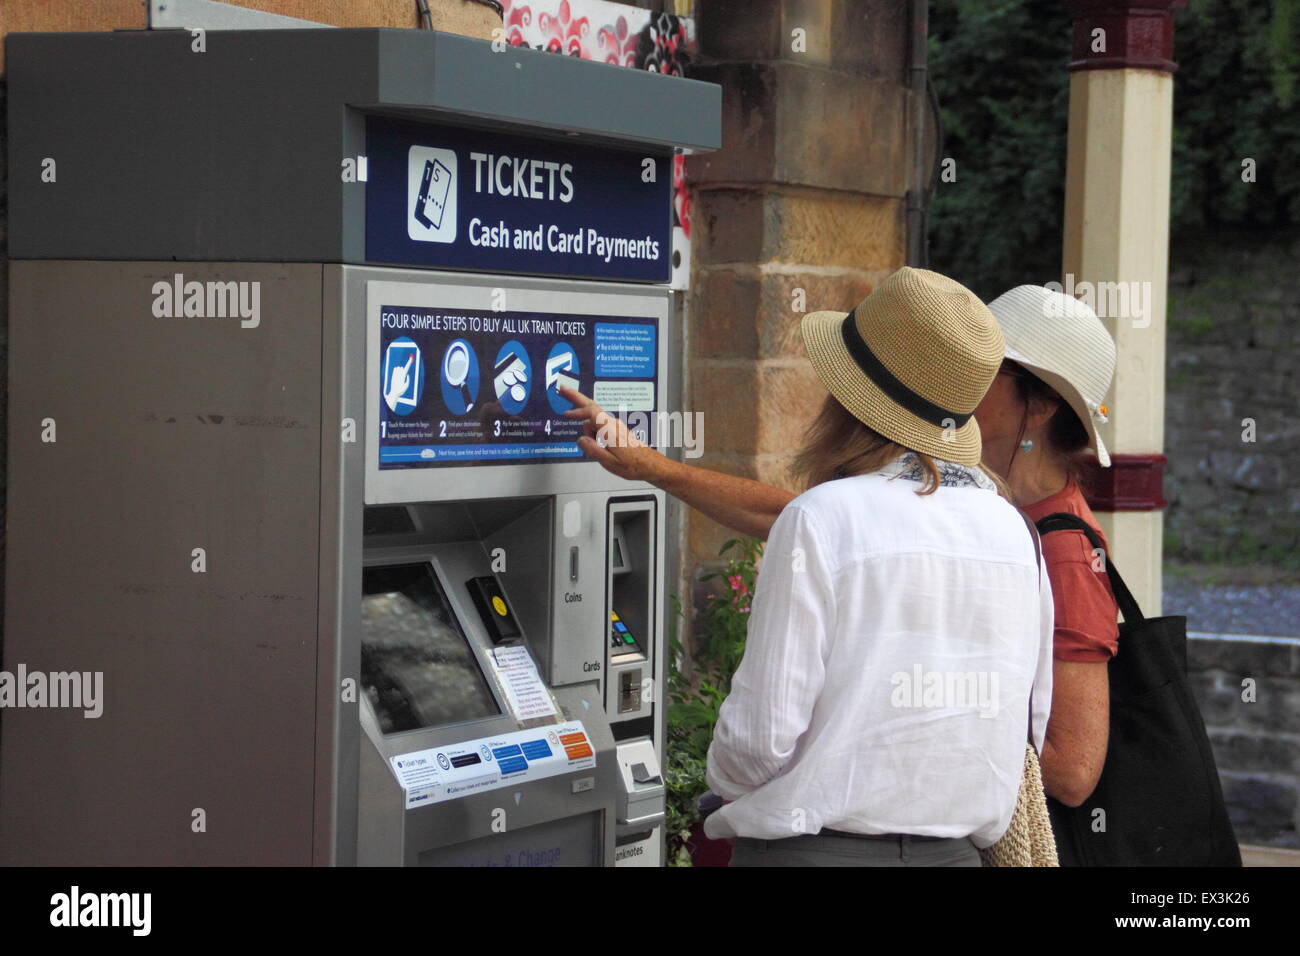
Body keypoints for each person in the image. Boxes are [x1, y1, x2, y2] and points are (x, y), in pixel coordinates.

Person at [560, 281, 1120, 826]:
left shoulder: (1057, 549)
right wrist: (658, 470)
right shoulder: (1002, 523)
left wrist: (890, 734)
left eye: (989, 366)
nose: (966, 378)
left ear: (1042, 404)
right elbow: (829, 526)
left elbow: (1071, 770)